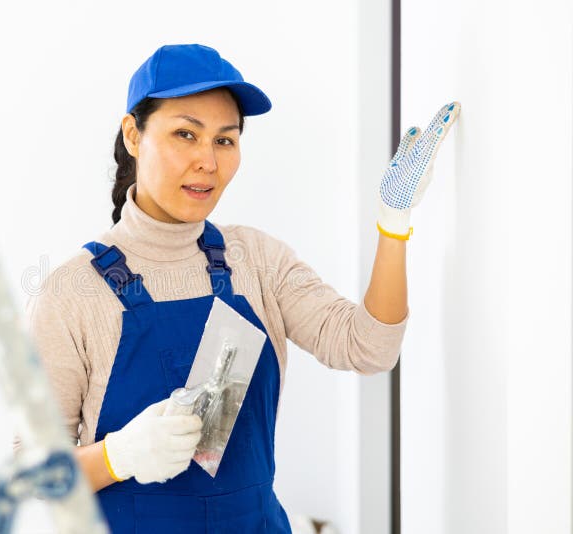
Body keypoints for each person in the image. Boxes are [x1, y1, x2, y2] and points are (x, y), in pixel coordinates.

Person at [24, 43, 459, 532]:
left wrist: (393, 225)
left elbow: (370, 349)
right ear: (133, 135)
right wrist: (118, 455)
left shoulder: (256, 261)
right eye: (185, 134)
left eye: (225, 140)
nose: (207, 161)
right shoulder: (72, 292)